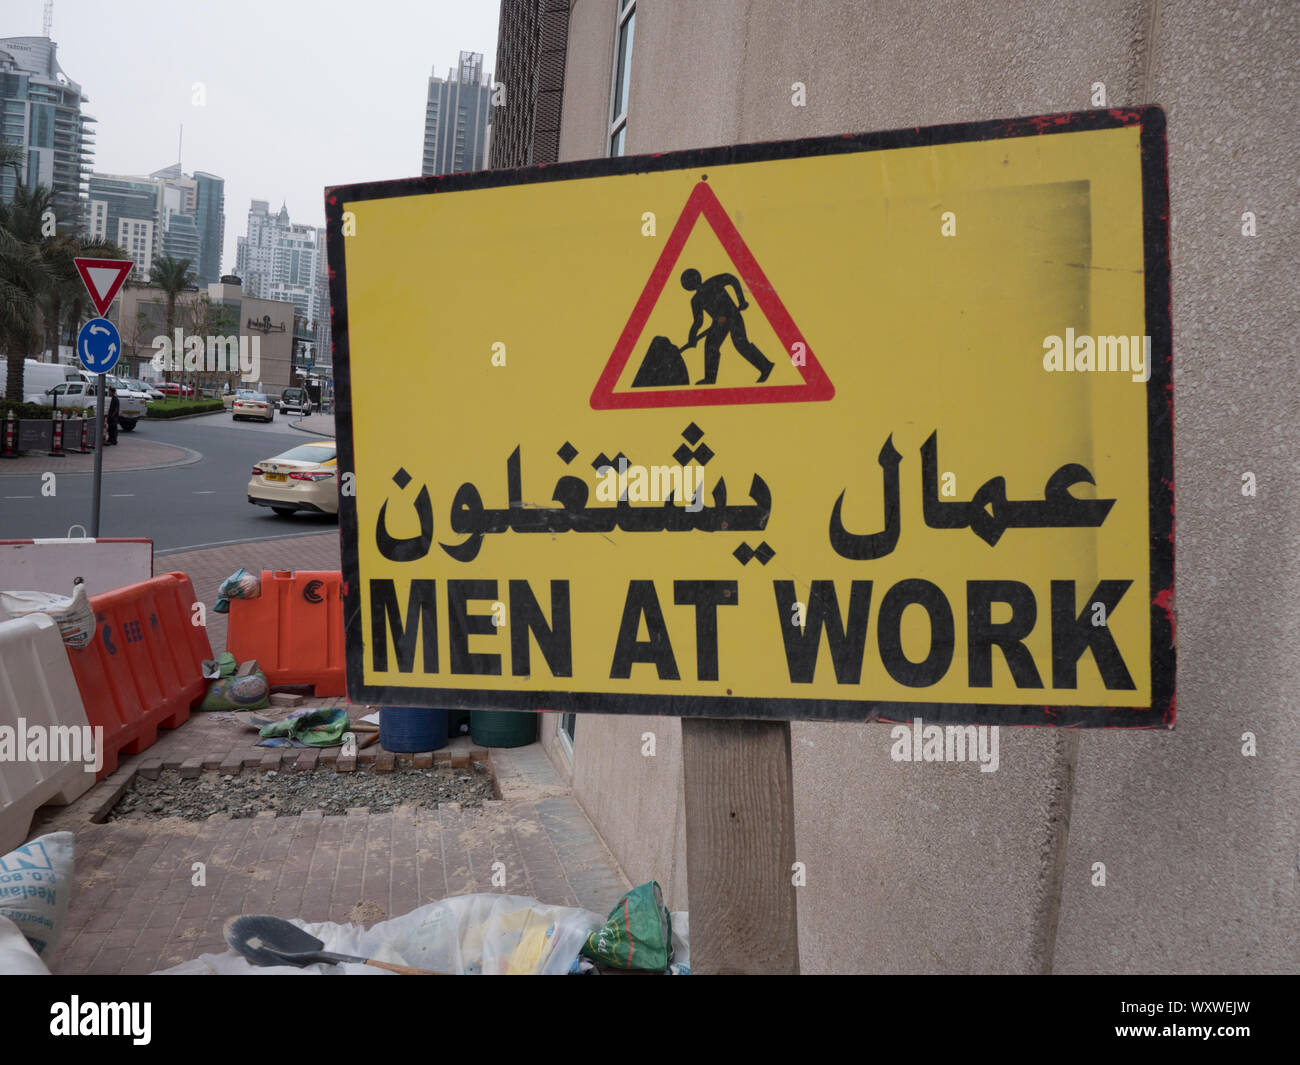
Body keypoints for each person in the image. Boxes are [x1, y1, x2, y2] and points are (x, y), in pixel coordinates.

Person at [680, 267, 775, 385]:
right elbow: (698, 322)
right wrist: (692, 337)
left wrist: (741, 300)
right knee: (710, 345)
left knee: (740, 344)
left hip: (733, 315)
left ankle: (766, 366)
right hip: (718, 323)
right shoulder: (696, 300)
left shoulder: (713, 282)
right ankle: (709, 379)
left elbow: (732, 279)